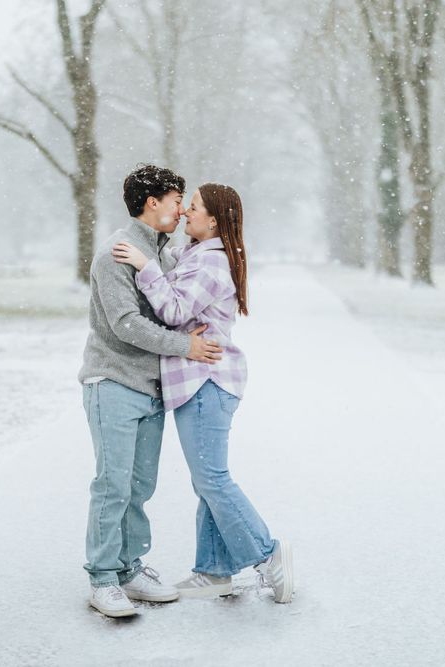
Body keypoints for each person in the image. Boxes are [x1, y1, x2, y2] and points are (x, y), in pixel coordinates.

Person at [112, 183, 294, 604]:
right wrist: (152, 249)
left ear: (213, 220)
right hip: (197, 382)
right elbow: (172, 272)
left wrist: (143, 264)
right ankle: (215, 571)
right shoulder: (196, 255)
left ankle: (269, 555)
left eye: (192, 208)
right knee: (206, 481)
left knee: (212, 479)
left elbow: (174, 309)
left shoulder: (211, 264)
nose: (185, 213)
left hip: (206, 383)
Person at [79, 165, 224, 618]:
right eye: (178, 200)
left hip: (152, 387)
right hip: (115, 381)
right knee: (113, 484)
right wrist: (188, 346)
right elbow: (127, 325)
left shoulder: (164, 254)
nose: (183, 210)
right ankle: (102, 578)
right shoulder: (116, 254)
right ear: (152, 202)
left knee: (140, 485)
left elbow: (176, 303)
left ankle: (129, 569)